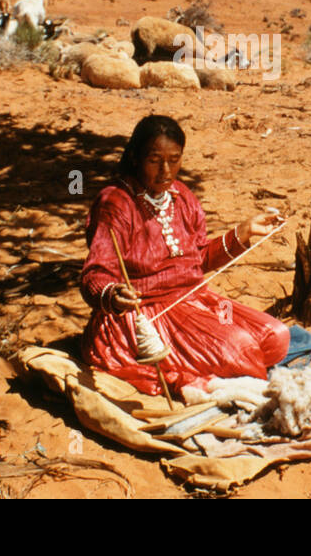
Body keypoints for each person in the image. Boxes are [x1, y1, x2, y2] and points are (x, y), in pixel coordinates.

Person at [81, 114, 290, 397]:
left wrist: (244, 231)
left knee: (276, 337)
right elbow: (95, 273)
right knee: (242, 348)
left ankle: (215, 372)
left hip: (193, 300)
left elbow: (199, 260)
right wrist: (112, 294)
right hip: (146, 313)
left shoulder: (182, 196)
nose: (165, 171)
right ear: (134, 158)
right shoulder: (116, 202)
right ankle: (208, 378)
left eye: (174, 159)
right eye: (154, 160)